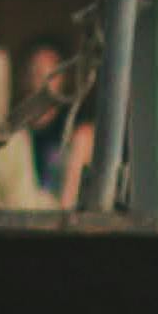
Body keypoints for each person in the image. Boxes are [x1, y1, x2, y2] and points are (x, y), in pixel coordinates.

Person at [15, 37, 92, 209]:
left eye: (46, 74)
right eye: (33, 73)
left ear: (62, 79)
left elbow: (71, 189)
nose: (38, 81)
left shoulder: (76, 130)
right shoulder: (16, 131)